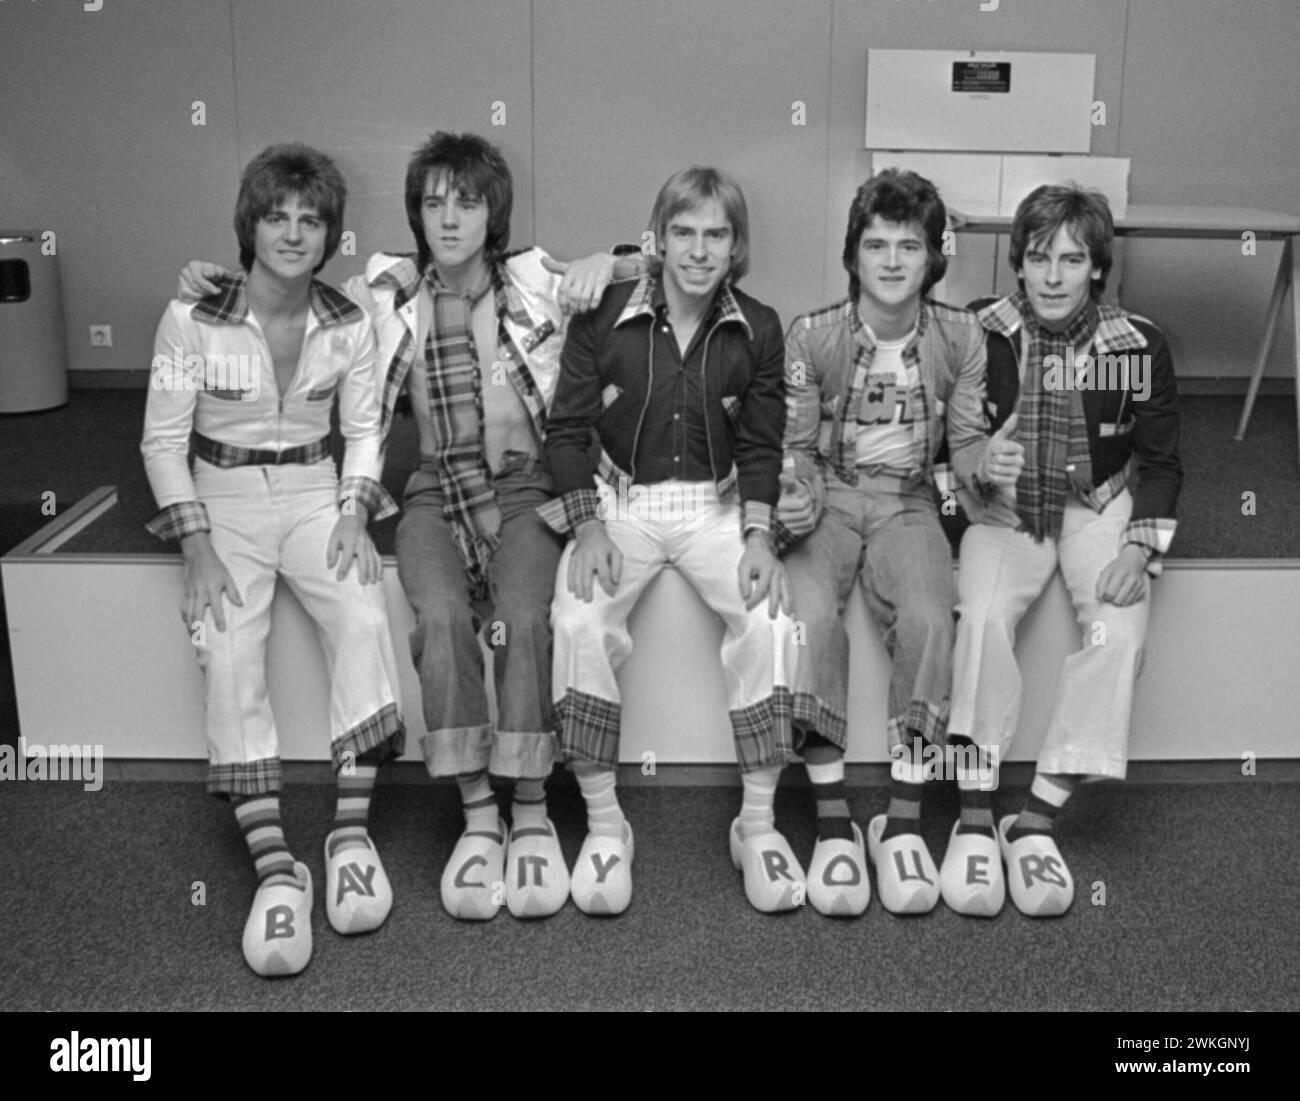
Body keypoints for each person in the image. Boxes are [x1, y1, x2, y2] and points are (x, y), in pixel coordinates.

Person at [181, 132, 636, 922]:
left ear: (494, 211)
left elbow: (663, 269)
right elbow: (288, 285)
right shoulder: (385, 290)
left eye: (466, 201)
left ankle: (529, 804)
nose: (448, 218)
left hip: (526, 487)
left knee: (527, 616)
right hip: (431, 488)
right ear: (416, 215)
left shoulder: (532, 277)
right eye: (433, 202)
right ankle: (477, 812)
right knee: (440, 617)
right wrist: (218, 281)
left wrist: (618, 259)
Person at [144, 143, 404, 977]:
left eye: (311, 219)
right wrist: (196, 547)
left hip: (316, 492)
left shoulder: (349, 319)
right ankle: (276, 871)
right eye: (276, 216)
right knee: (225, 646)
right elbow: (161, 440)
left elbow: (365, 431)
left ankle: (350, 834)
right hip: (222, 501)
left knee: (365, 609)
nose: (293, 233)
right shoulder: (192, 315)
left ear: (331, 233)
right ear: (249, 225)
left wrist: (357, 512)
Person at [542, 165, 801, 917]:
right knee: (577, 617)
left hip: (717, 508)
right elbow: (567, 431)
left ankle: (755, 825)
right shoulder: (604, 310)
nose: (698, 249)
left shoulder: (760, 326)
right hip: (619, 499)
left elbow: (761, 444)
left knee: (774, 619)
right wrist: (588, 524)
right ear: (658, 240)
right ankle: (604, 824)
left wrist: (759, 533)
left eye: (715, 234)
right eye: (683, 232)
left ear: (736, 245)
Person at [947, 183, 1182, 917]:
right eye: (1040, 257)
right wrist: (978, 462)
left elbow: (1164, 462)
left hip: (1097, 507)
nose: (1053, 276)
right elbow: (942, 442)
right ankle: (977, 813)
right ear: (1018, 263)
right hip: (1006, 509)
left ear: (1097, 269)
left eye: (1072, 259)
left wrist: (1138, 550)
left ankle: (1038, 815)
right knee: (980, 621)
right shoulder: (976, 331)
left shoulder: (1136, 343)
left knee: (1118, 629)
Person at [775, 168, 1004, 916]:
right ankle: (833, 808)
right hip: (834, 496)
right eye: (877, 244)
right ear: (854, 253)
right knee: (807, 614)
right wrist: (795, 492)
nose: (894, 260)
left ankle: (902, 812)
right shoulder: (813, 334)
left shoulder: (961, 335)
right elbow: (799, 446)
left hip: (909, 498)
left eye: (911, 245)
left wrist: (985, 464)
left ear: (934, 254)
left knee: (935, 618)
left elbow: (963, 443)